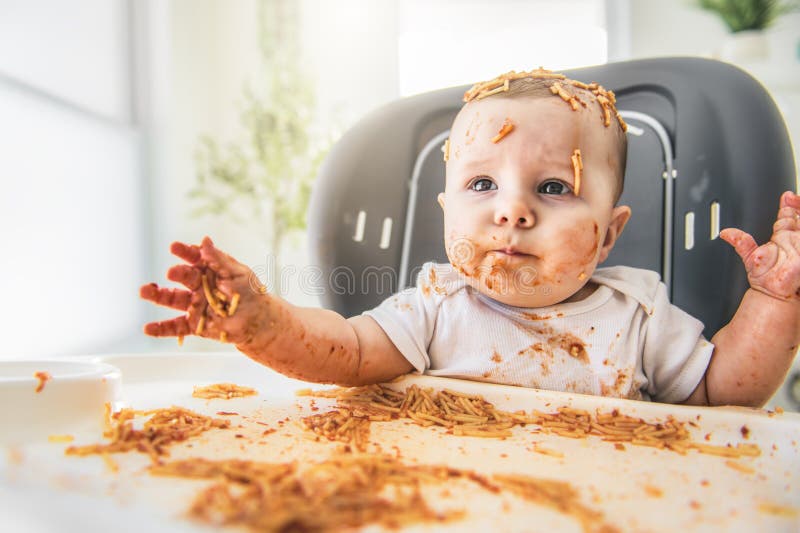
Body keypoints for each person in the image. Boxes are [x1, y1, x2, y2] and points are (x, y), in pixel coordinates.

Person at [141, 68, 800, 407]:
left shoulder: (639, 315)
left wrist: (772, 303)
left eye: (551, 188)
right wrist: (260, 321)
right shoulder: (433, 305)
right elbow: (342, 354)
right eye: (482, 185)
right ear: (445, 209)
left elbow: (726, 393)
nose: (511, 212)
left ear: (608, 235)